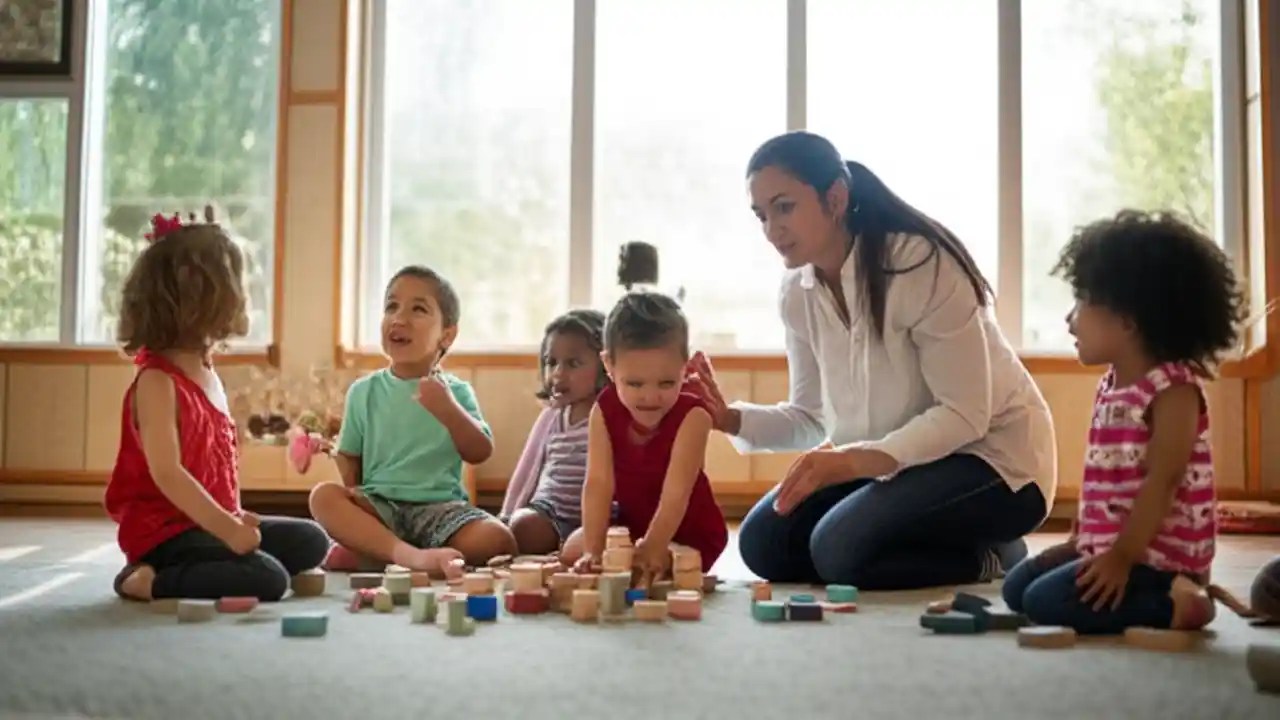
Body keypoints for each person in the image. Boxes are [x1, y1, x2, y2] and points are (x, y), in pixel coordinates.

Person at [687, 130, 1056, 590]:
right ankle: (910, 541)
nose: (771, 229)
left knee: (838, 550)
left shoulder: (919, 263)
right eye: (761, 215)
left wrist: (849, 463)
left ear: (835, 197)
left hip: (995, 463)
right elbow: (811, 417)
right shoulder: (797, 293)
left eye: (784, 207)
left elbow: (965, 415)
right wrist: (729, 418)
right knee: (764, 543)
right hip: (893, 466)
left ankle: (995, 553)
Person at [1002, 210, 1246, 633]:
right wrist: (1082, 541)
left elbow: (1163, 482)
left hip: (1154, 560)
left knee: (1042, 601)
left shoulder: (1173, 390)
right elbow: (1108, 480)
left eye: (1081, 302)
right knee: (1015, 587)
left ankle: (1174, 603)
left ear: (1128, 321)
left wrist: (1120, 558)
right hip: (1117, 549)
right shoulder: (1112, 384)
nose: (1069, 319)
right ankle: (1125, 579)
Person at [108, 209, 330, 602]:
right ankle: (148, 580)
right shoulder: (157, 382)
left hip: (211, 524)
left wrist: (237, 519)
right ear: (202, 304)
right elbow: (169, 474)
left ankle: (211, 561)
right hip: (166, 534)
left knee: (312, 540)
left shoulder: (208, 373)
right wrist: (229, 531)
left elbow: (215, 467)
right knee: (268, 579)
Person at [309, 265, 516, 574]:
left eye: (418, 309)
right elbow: (351, 465)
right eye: (391, 306)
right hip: (381, 506)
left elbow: (480, 451)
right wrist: (334, 462)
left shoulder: (456, 392)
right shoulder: (363, 391)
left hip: (441, 512)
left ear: (447, 334)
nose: (399, 318)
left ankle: (380, 552)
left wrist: (447, 409)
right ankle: (405, 553)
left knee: (498, 539)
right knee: (323, 497)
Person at [564, 292, 727, 584]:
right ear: (609, 367)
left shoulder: (694, 416)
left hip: (688, 532)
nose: (651, 397)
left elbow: (676, 493)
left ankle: (657, 557)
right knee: (574, 548)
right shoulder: (603, 410)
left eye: (666, 382)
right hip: (632, 526)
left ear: (684, 368)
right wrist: (592, 552)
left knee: (661, 564)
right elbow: (598, 484)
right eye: (635, 383)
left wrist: (654, 545)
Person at [500, 309, 609, 554]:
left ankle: (573, 551)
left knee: (601, 542)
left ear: (606, 365)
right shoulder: (552, 416)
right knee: (524, 526)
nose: (558, 373)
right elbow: (526, 473)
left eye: (573, 363)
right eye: (551, 363)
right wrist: (506, 518)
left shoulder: (612, 417)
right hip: (550, 514)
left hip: (598, 521)